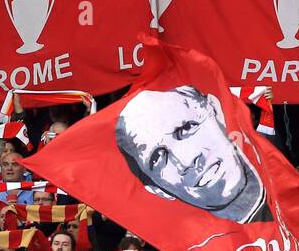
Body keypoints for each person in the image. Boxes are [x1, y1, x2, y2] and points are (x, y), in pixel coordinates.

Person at [115, 86, 270, 223]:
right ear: (157, 190)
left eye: (187, 128)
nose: (187, 160)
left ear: (215, 110)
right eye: (158, 158)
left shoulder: (281, 179)